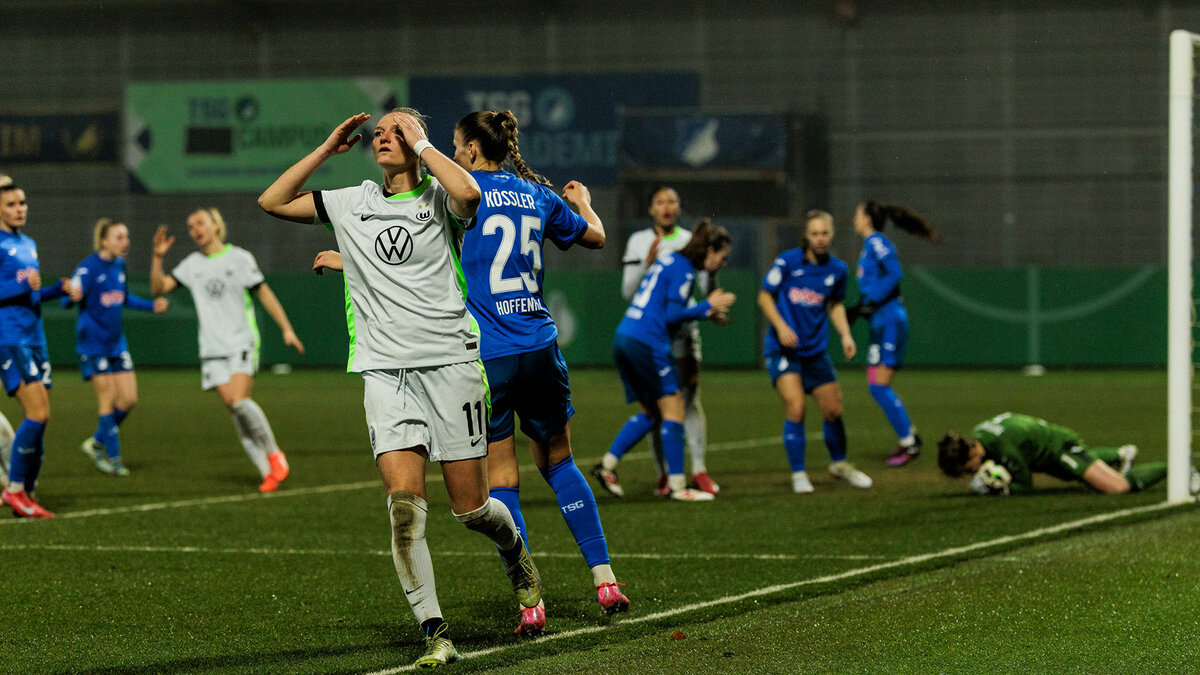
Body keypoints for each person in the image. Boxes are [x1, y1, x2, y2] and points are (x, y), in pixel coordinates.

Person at [258, 109, 540, 668]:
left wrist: (424, 143)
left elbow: (470, 193)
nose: (385, 137)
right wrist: (326, 149)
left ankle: (515, 552)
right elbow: (272, 201)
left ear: (418, 139)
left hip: (451, 367)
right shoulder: (353, 201)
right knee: (404, 511)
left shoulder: (440, 197)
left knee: (471, 509)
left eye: (398, 130)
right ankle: (436, 633)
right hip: (386, 373)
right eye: (379, 133)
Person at [150, 207, 301, 493]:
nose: (195, 229)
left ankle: (274, 454)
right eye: (190, 226)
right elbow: (159, 288)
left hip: (240, 342)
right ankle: (267, 473)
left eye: (200, 222)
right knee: (235, 411)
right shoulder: (192, 264)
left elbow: (264, 292)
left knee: (240, 401)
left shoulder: (240, 258)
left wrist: (287, 328)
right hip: (212, 349)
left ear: (216, 225)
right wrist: (158, 257)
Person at [600, 219, 736, 502]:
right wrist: (706, 306)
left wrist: (705, 311)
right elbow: (671, 316)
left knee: (653, 411)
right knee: (674, 406)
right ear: (709, 250)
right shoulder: (684, 269)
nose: (723, 264)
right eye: (722, 257)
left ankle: (606, 466)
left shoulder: (669, 260)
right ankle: (677, 486)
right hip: (647, 340)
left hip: (626, 335)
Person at [758, 210, 873, 494]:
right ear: (806, 236)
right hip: (784, 350)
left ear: (831, 235)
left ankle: (839, 465)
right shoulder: (787, 262)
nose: (820, 238)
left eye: (824, 233)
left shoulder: (838, 269)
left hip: (815, 351)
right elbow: (764, 296)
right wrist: (781, 327)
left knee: (834, 410)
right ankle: (799, 474)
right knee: (796, 408)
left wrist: (845, 335)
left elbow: (835, 305)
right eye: (814, 233)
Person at [69, 218, 169, 476]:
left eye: (126, 237)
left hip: (116, 343)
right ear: (104, 241)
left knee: (129, 399)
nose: (126, 242)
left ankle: (96, 443)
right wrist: (71, 296)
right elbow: (68, 298)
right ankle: (114, 461)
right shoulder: (88, 268)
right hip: (93, 344)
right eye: (119, 237)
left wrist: (151, 306)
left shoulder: (119, 266)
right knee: (108, 399)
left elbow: (123, 298)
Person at [0, 183, 72, 518]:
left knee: (42, 420)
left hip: (35, 338)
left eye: (23, 202)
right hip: (11, 337)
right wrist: (19, 284)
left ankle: (26, 491)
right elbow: (16, 288)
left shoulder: (28, 244)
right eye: (11, 204)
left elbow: (31, 293)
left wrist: (57, 290)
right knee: (37, 414)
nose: (20, 208)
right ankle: (14, 490)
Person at [849, 200, 938, 467]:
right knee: (874, 384)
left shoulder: (876, 242)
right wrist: (863, 307)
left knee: (879, 386)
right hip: (880, 322)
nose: (854, 218)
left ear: (867, 218)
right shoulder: (869, 245)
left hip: (889, 321)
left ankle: (910, 442)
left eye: (858, 213)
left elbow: (894, 273)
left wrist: (872, 300)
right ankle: (908, 436)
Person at [937, 412, 1181, 496]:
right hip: (1047, 450)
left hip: (1058, 448)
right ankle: (1120, 454)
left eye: (968, 470)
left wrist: (1001, 489)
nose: (972, 474)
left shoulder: (1004, 447)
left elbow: (1025, 484)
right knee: (1076, 472)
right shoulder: (978, 435)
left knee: (1117, 487)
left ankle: (1179, 466)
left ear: (972, 453)